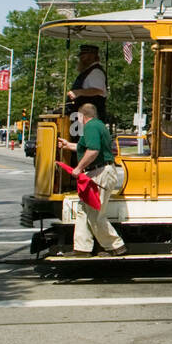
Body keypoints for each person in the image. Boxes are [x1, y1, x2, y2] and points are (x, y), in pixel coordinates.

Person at [56, 103, 127, 257]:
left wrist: (78, 168)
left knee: (95, 213)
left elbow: (93, 151)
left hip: (99, 173)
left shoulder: (90, 127)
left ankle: (116, 246)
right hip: (100, 171)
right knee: (83, 209)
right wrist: (68, 145)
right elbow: (88, 147)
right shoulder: (98, 125)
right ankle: (82, 248)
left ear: (82, 116)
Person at [66, 44, 108, 123]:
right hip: (81, 118)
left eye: (83, 56)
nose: (81, 59)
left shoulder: (96, 72)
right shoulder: (87, 72)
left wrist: (79, 92)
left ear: (91, 56)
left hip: (90, 118)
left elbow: (98, 90)